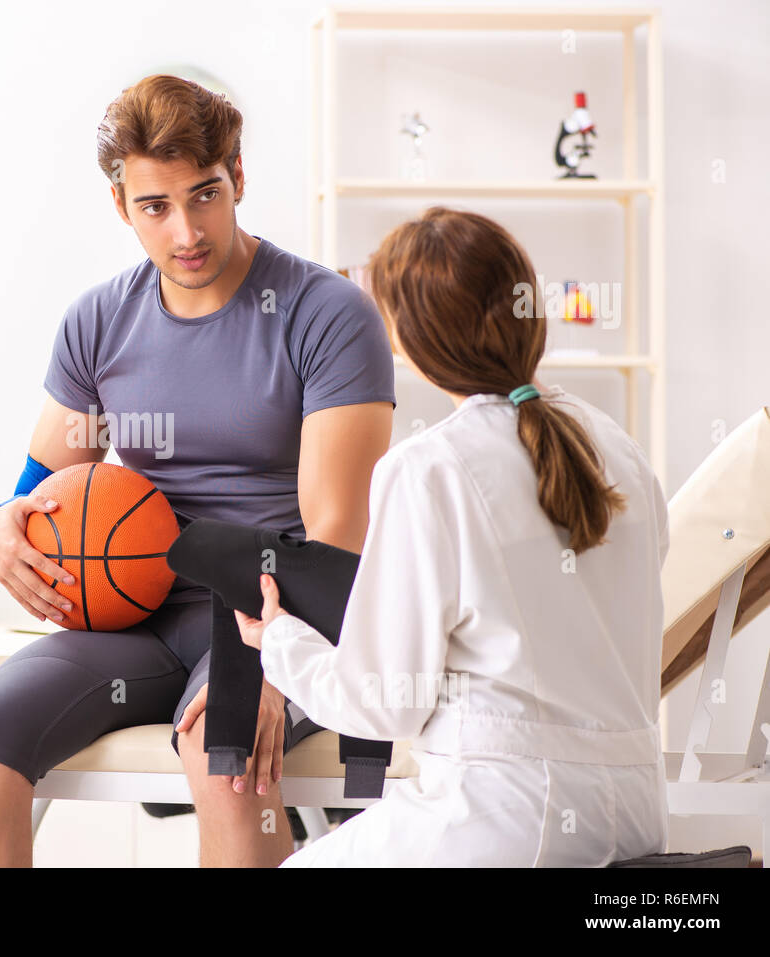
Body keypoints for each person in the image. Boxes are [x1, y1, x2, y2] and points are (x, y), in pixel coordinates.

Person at [0, 74, 396, 867]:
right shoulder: (98, 322)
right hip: (133, 620)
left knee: (226, 761)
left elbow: (336, 538)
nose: (186, 230)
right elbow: (31, 496)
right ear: (122, 207)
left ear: (238, 176)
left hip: (273, 615)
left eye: (204, 194)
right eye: (156, 206)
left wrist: (284, 670)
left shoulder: (326, 314)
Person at [233, 206, 670, 867]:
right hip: (638, 815)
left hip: (503, 817)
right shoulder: (621, 448)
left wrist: (281, 642)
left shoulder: (428, 467)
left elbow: (385, 706)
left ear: (406, 341)